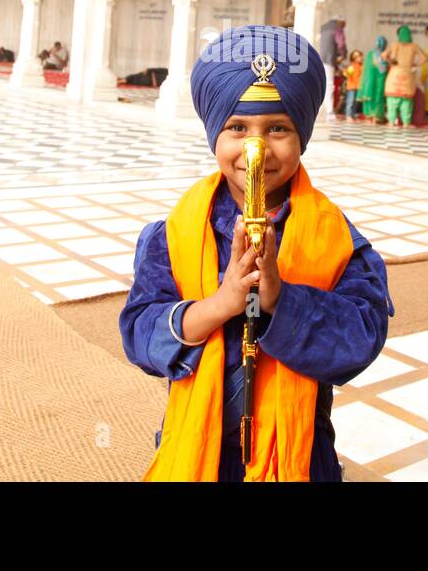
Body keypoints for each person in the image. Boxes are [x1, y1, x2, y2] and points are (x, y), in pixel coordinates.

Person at [119, 25, 392, 481]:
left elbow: (360, 340)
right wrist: (219, 305)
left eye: (278, 128)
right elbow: (139, 335)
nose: (255, 149)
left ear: (302, 133)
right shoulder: (176, 234)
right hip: (198, 448)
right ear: (214, 133)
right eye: (238, 128)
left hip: (300, 455)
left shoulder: (337, 240)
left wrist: (279, 301)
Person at [383, 25, 426, 127]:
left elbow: (384, 55)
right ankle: (406, 123)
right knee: (406, 102)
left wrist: (390, 62)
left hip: (395, 74)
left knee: (392, 101)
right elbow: (424, 58)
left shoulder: (394, 45)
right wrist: (415, 64)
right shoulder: (414, 46)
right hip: (408, 74)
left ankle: (391, 122)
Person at [358, 35, 389, 123]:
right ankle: (376, 117)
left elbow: (366, 69)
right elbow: (383, 70)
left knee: (371, 97)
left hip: (370, 82)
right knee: (378, 97)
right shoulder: (383, 55)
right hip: (379, 81)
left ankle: (369, 117)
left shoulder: (370, 54)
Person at [342, 50, 364, 120]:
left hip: (357, 86)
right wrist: (346, 72)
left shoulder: (361, 66)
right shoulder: (352, 66)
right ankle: (348, 115)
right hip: (351, 87)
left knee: (355, 102)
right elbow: (347, 73)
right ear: (353, 58)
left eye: (360, 56)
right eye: (358, 56)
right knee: (350, 101)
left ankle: (352, 114)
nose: (360, 58)